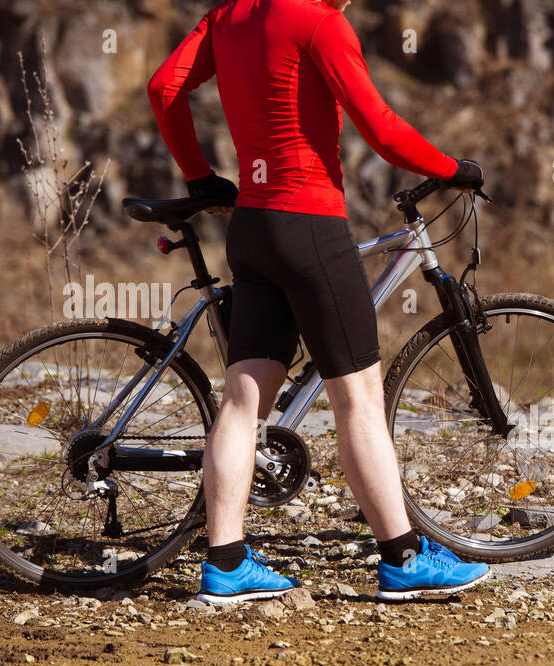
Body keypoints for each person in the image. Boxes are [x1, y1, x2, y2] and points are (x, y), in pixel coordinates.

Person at [147, 0, 489, 604]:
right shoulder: (319, 24)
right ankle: (404, 558)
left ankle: (226, 563)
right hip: (308, 224)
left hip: (251, 227)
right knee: (358, 396)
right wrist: (453, 167)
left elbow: (163, 85)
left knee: (245, 397)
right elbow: (381, 129)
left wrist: (199, 177)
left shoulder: (227, 16)